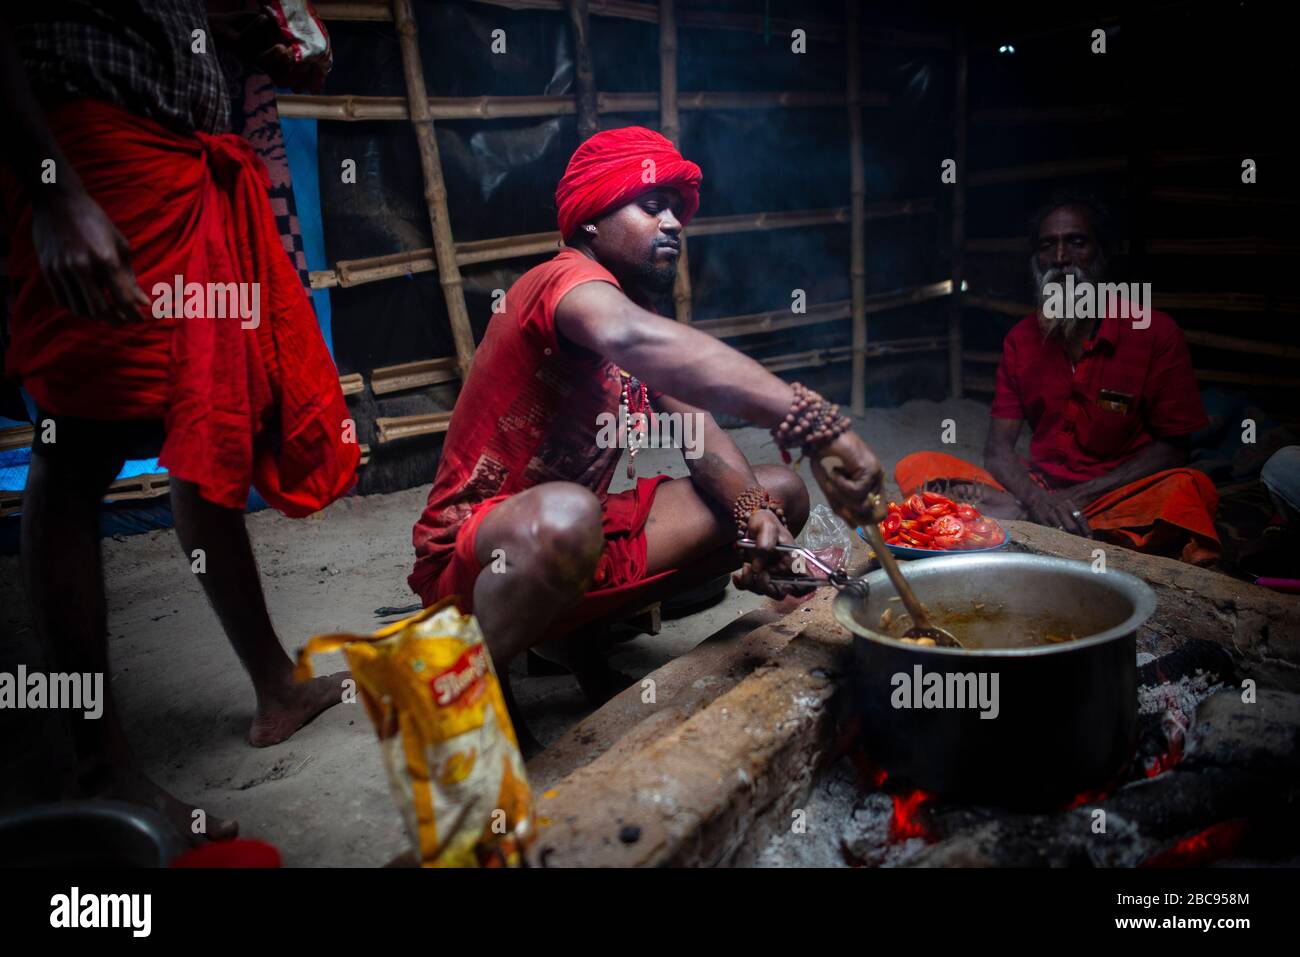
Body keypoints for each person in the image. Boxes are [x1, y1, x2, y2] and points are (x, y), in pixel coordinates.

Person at [1, 2, 356, 842]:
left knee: (208, 430)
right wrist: (54, 192)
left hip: (186, 161)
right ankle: (98, 766)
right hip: (90, 144)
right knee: (77, 443)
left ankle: (274, 686)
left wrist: (243, 32)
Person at [409, 126, 885, 747]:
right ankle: (472, 688)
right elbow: (634, 340)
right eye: (650, 206)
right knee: (568, 516)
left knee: (779, 494)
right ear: (588, 223)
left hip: (582, 534)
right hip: (478, 558)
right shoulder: (564, 285)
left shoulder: (635, 312)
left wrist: (754, 518)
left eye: (676, 210)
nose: (673, 225)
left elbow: (700, 433)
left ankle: (573, 638)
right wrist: (821, 423)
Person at [895, 194, 1220, 565]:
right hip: (1039, 491)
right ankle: (1086, 532)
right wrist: (1038, 500)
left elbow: (1175, 447)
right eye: (1048, 245)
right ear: (1036, 259)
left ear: (1102, 253)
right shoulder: (1021, 339)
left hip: (1118, 492)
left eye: (1076, 242)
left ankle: (1057, 527)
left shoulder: (1155, 332)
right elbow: (998, 451)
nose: (1061, 258)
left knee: (1190, 490)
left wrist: (1079, 498)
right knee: (921, 468)